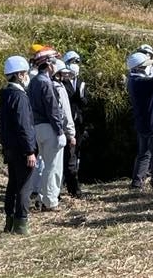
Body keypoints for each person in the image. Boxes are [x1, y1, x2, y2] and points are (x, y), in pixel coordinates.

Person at [0, 55, 37, 234]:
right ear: (19, 75)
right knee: (24, 186)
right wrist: (30, 150)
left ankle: (9, 221)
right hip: (22, 149)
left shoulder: (5, 93)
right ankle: (21, 224)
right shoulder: (19, 96)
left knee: (12, 184)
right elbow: (24, 125)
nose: (27, 76)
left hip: (10, 147)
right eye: (25, 73)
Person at [26, 47, 66, 211]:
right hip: (49, 128)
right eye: (54, 61)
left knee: (43, 165)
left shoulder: (33, 82)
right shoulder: (46, 83)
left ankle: (41, 198)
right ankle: (50, 202)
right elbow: (53, 110)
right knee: (53, 166)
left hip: (36, 128)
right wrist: (60, 131)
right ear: (49, 64)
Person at [126, 51, 153, 189]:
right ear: (139, 68)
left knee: (143, 154)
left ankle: (137, 182)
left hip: (142, 124)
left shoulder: (132, 80)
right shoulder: (141, 82)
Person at [59, 56, 88, 198]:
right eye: (72, 62)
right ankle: (71, 187)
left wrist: (81, 97)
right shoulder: (61, 83)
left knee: (76, 153)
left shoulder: (81, 83)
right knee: (68, 155)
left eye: (77, 62)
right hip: (66, 123)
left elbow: (85, 103)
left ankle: (73, 184)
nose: (75, 65)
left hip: (78, 123)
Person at [51, 59, 78, 198]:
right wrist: (71, 133)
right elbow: (66, 112)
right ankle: (73, 191)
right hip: (62, 131)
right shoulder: (59, 88)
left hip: (50, 130)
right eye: (63, 73)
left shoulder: (46, 84)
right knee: (68, 163)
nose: (66, 75)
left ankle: (53, 193)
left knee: (52, 165)